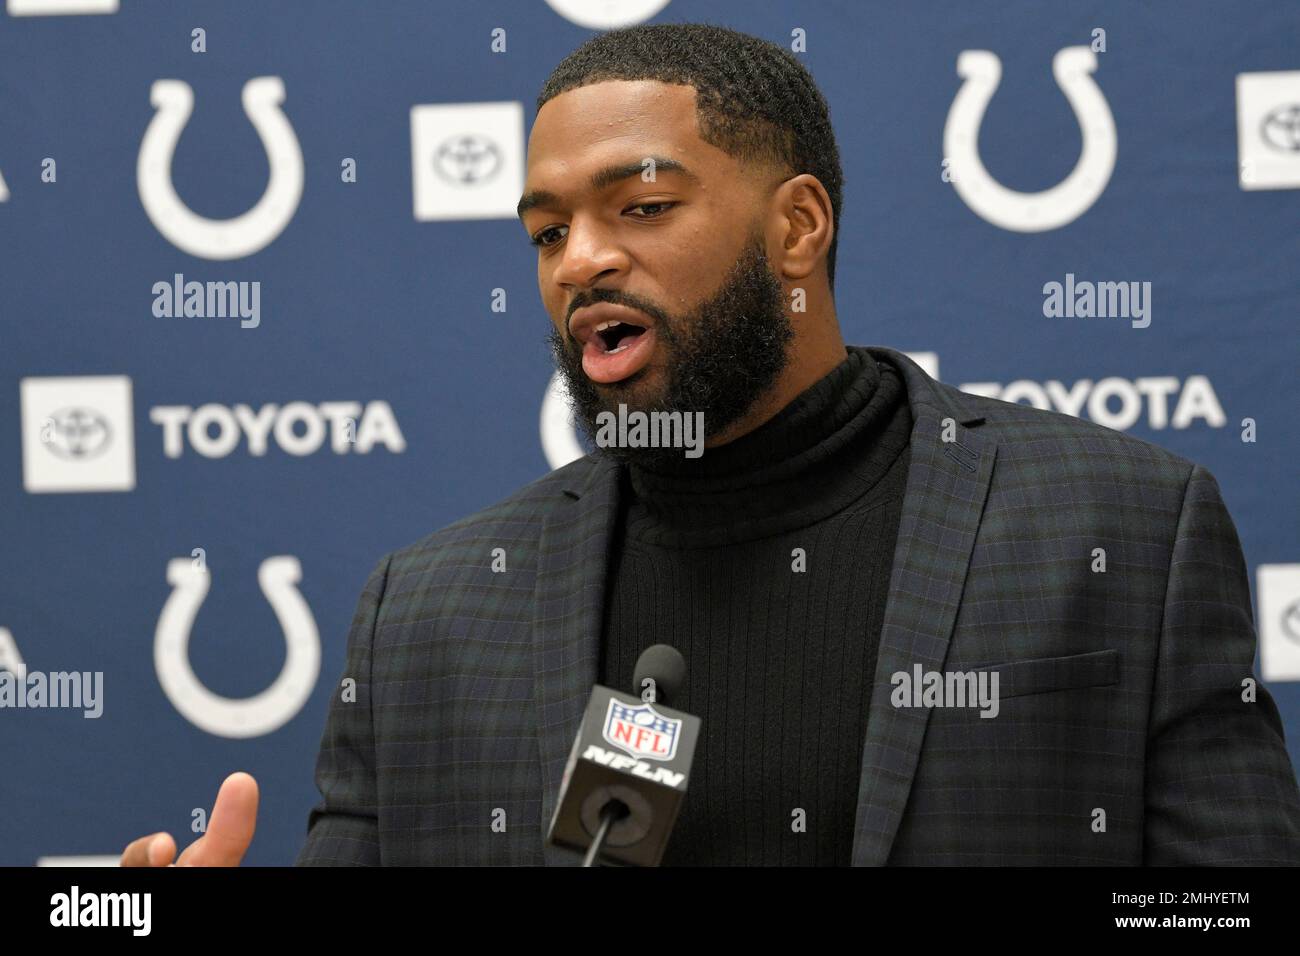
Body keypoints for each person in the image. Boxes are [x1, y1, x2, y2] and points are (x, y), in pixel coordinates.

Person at [122, 23, 1300, 868]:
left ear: (797, 226)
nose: (578, 259)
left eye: (638, 207)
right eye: (546, 231)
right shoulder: (426, 611)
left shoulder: (1121, 529)